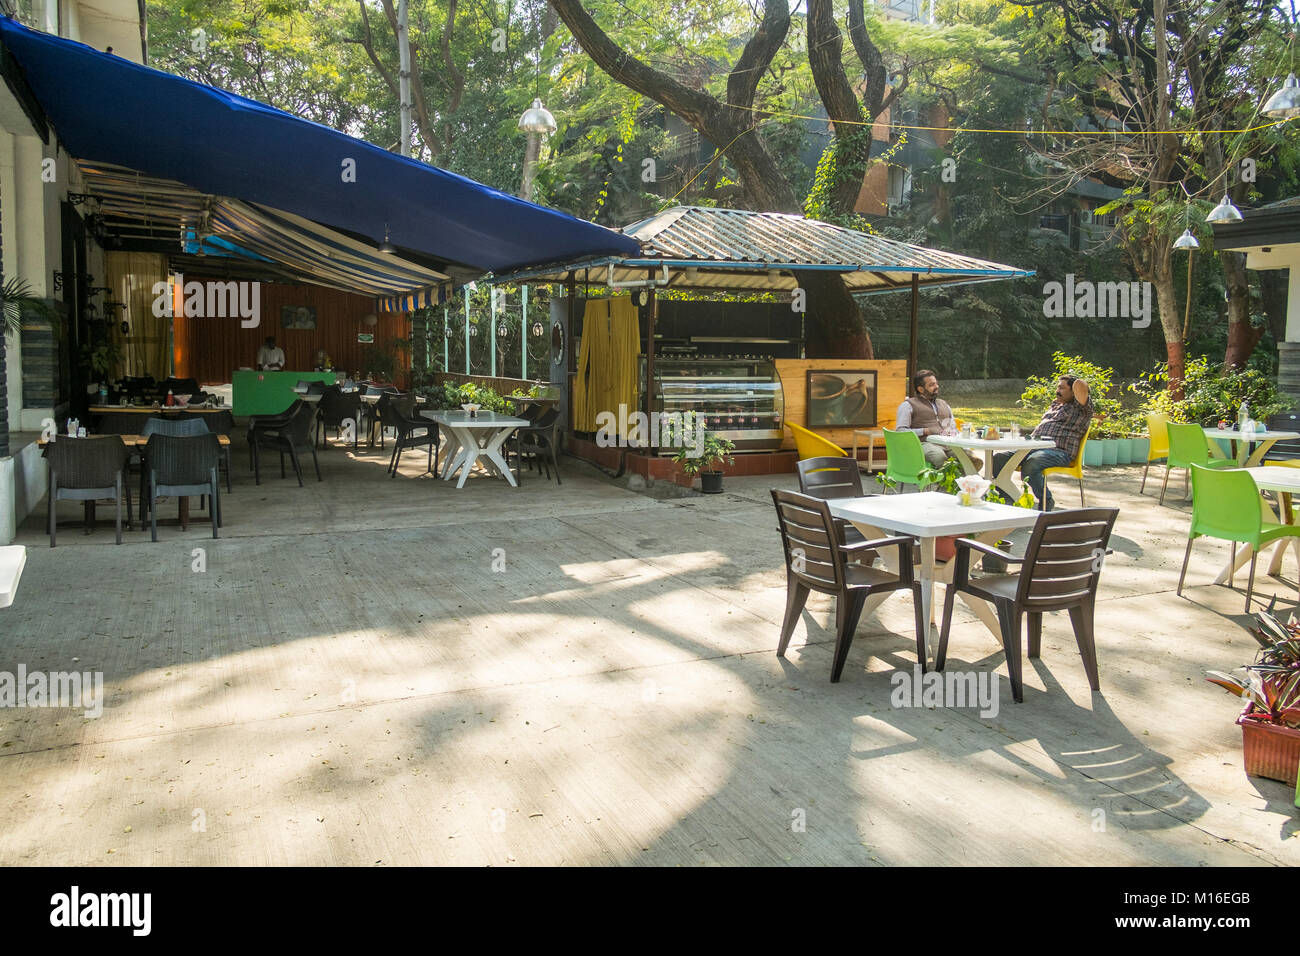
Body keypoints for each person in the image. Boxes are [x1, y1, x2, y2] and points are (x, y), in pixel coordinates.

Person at [994, 375, 1092, 511]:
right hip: (1032, 447)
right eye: (1057, 387)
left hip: (1059, 452)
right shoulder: (1056, 405)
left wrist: (1075, 382)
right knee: (998, 459)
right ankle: (1008, 498)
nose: (1057, 391)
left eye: (1062, 388)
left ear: (1073, 391)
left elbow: (1080, 384)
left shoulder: (1081, 409)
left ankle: (1046, 500)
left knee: (1032, 463)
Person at [895, 369, 979, 469]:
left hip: (948, 444)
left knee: (971, 458)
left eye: (936, 383)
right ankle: (951, 479)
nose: (936, 387)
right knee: (940, 458)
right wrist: (923, 431)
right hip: (924, 444)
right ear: (921, 389)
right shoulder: (908, 405)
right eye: (931, 385)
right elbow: (900, 431)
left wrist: (957, 435)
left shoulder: (944, 404)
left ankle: (963, 479)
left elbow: (953, 428)